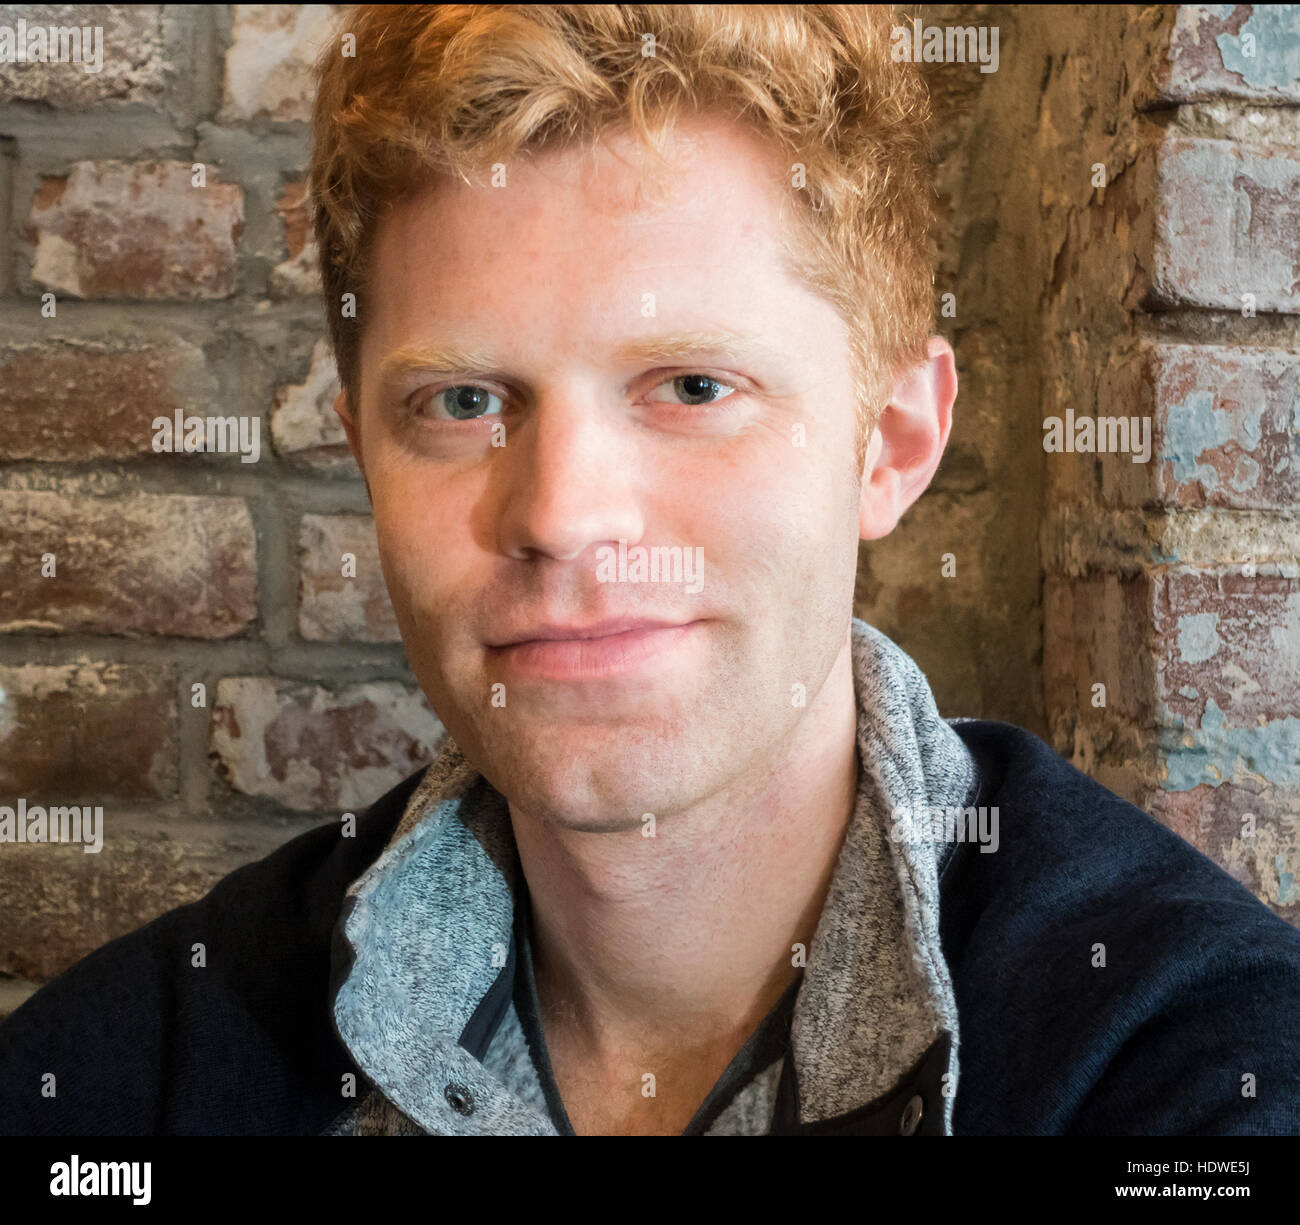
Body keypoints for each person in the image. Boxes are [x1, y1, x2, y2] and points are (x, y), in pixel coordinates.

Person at [2, 4, 1298, 1137]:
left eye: (691, 385)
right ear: (363, 454)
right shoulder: (123, 1079)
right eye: (461, 400)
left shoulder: (1199, 1064)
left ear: (892, 442)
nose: (562, 515)